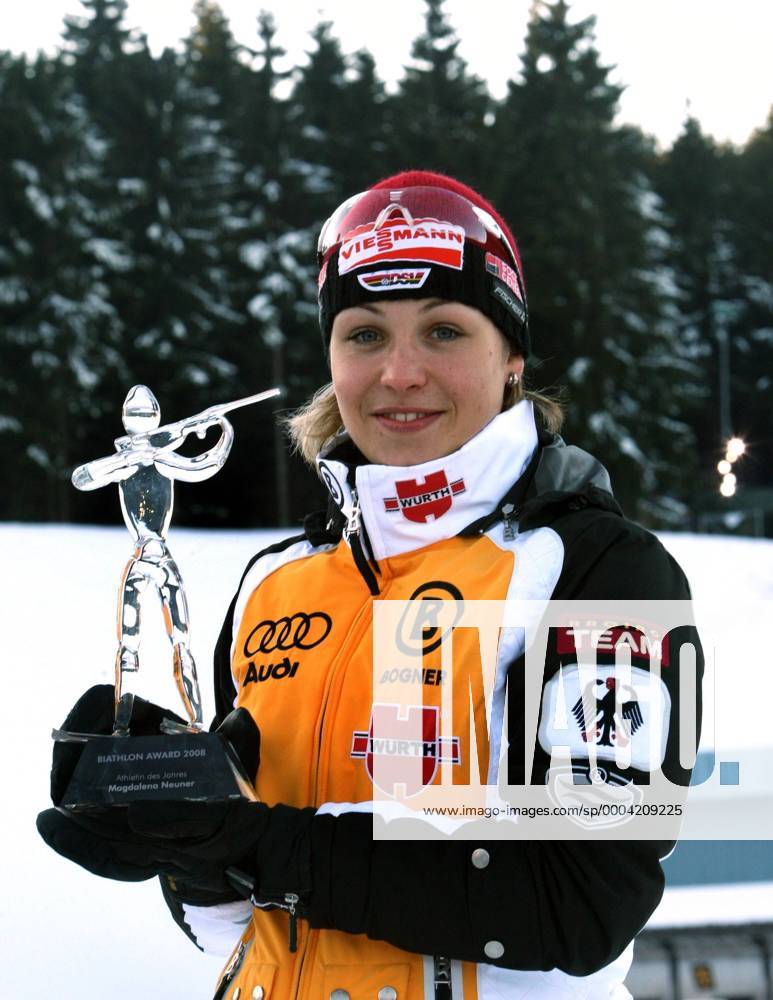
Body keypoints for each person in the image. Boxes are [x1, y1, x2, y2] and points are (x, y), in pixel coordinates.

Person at [39, 170, 702, 1000]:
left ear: (511, 359)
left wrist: (251, 843)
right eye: (363, 335)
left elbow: (575, 903)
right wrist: (178, 827)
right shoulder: (275, 584)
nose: (399, 373)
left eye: (444, 331)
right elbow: (241, 932)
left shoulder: (595, 569)